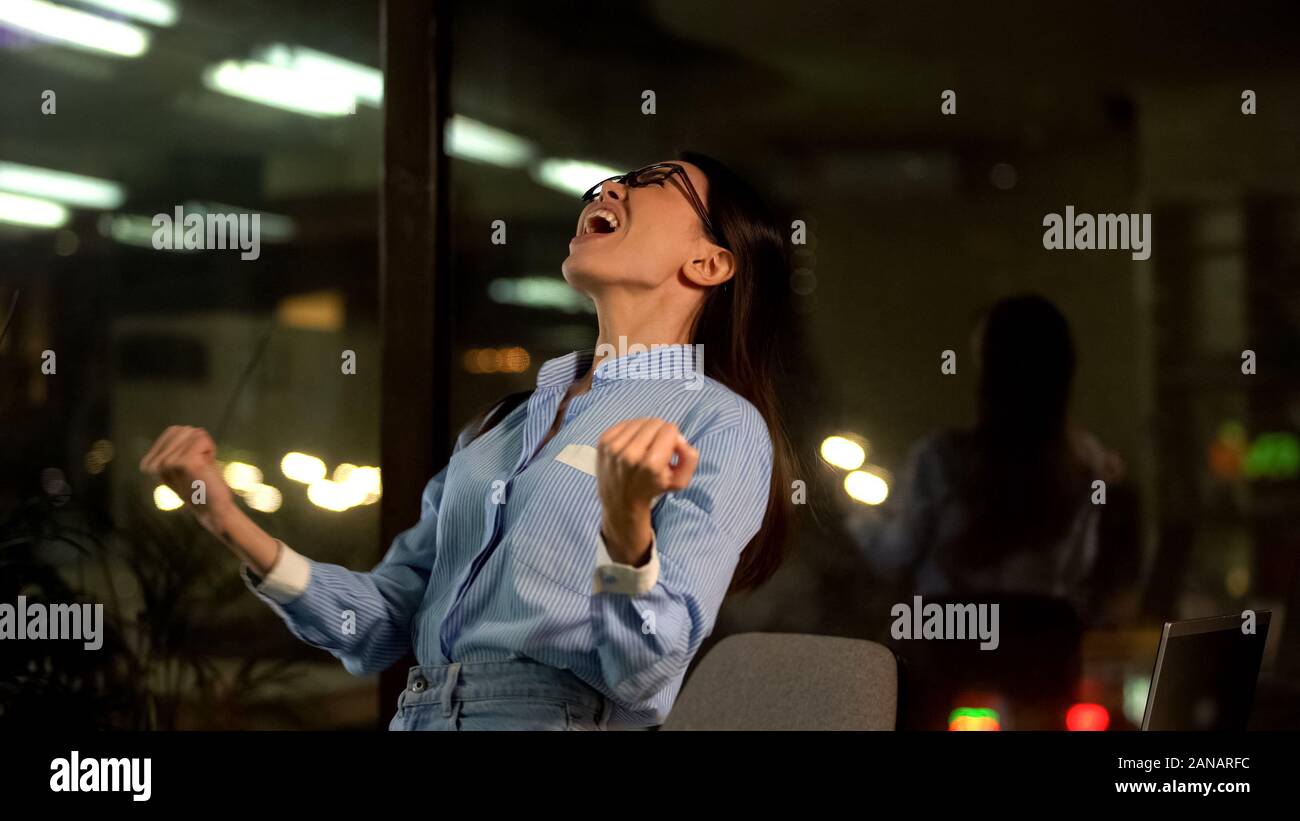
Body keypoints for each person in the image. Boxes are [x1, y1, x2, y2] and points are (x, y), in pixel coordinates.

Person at [139, 153, 796, 729]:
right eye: (611, 180)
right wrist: (222, 516)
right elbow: (377, 623)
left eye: (653, 182)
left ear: (708, 262)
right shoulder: (501, 426)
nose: (609, 189)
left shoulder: (718, 424)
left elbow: (646, 678)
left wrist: (626, 529)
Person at [854, 294, 1131, 619]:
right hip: (1042, 653)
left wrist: (856, 517)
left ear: (989, 372)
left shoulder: (940, 457)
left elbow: (893, 556)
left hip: (949, 652)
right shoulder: (1084, 462)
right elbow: (1077, 569)